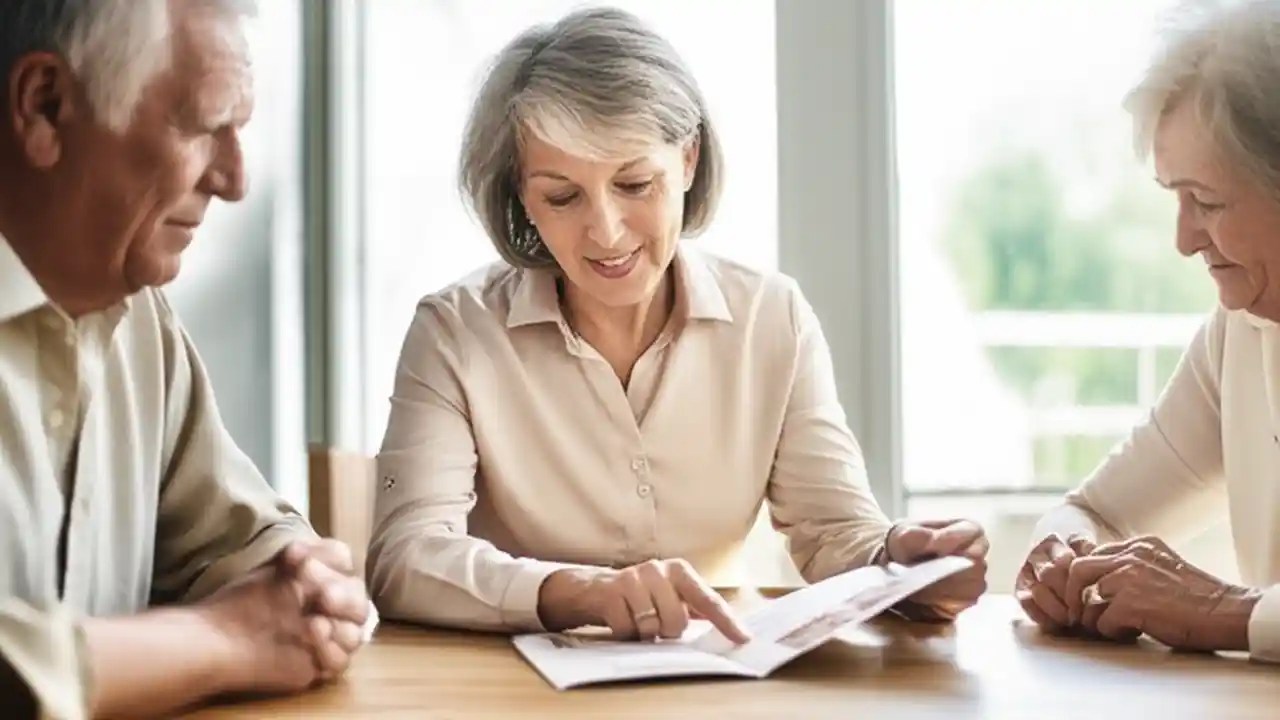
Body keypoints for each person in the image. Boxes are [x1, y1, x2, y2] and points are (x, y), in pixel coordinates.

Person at [368, 7, 988, 644]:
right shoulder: (455, 332)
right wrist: (581, 593)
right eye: (562, 196)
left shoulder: (771, 319)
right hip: (500, 680)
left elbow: (836, 531)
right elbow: (403, 557)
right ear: (522, 196)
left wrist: (904, 562)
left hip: (709, 671)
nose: (606, 232)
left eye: (635, 183)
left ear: (688, 160)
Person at [0, 1, 373, 717]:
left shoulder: (138, 318)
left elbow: (245, 545)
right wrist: (223, 638)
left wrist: (306, 588)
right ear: (44, 107)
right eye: (204, 125)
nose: (234, 180)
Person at [1018, 0, 1280, 662]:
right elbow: (1098, 513)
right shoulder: (1240, 333)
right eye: (1176, 198)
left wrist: (1224, 611)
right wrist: (1065, 559)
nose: (1184, 240)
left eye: (1207, 202)